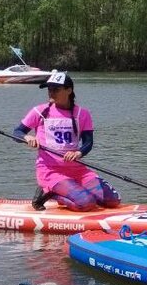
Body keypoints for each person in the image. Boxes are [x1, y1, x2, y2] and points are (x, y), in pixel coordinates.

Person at [12, 72, 121, 212]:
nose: (51, 92)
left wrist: (78, 153)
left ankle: (72, 190)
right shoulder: (39, 112)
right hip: (50, 171)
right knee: (87, 203)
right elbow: (17, 133)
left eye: (56, 89)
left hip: (78, 170)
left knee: (113, 201)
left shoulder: (83, 114)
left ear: (69, 90)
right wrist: (27, 138)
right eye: (49, 89)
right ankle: (51, 193)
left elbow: (88, 143)